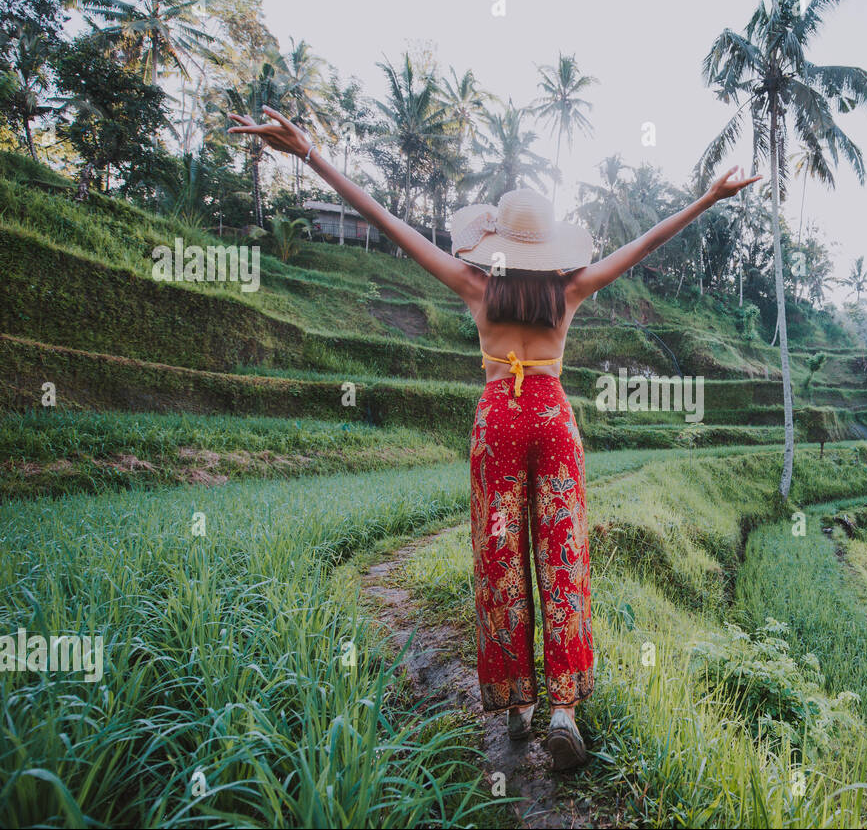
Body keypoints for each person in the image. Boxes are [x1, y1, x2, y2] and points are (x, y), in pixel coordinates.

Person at [229, 106, 760, 771]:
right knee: (561, 555)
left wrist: (310, 155)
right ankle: (563, 707)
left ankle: (516, 704)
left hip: (497, 422)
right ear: (551, 249)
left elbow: (389, 225)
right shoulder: (568, 292)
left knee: (501, 562)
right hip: (552, 418)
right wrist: (707, 198)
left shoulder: (475, 287)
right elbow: (643, 245)